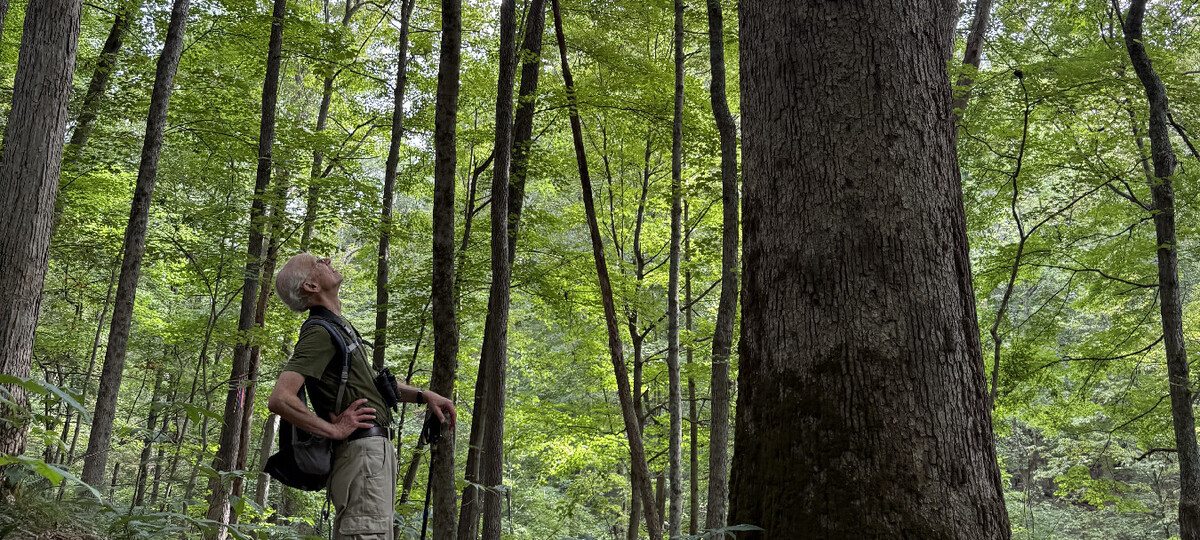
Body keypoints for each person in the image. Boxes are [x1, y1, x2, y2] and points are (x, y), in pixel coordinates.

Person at [267, 253, 456, 540]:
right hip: (362, 455)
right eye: (318, 261)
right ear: (311, 286)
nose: (328, 259)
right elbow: (280, 398)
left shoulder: (339, 329)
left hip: (370, 457)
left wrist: (423, 395)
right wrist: (333, 429)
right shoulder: (319, 332)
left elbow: (372, 387)